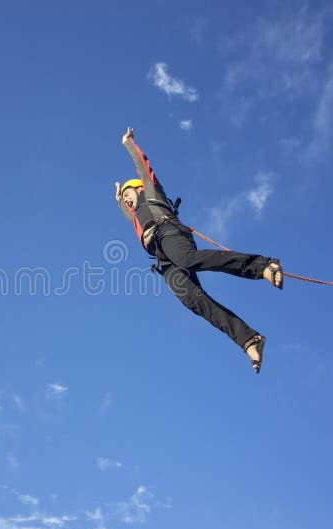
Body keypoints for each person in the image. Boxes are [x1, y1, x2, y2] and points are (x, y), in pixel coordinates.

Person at [114, 127, 283, 374]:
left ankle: (263, 266)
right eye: (124, 199)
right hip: (162, 258)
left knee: (187, 259)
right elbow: (127, 211)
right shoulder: (136, 215)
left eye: (128, 194)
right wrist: (119, 198)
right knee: (191, 299)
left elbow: (142, 166)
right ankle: (249, 339)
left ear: (139, 188)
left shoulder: (150, 191)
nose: (127, 200)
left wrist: (128, 143)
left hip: (168, 231)